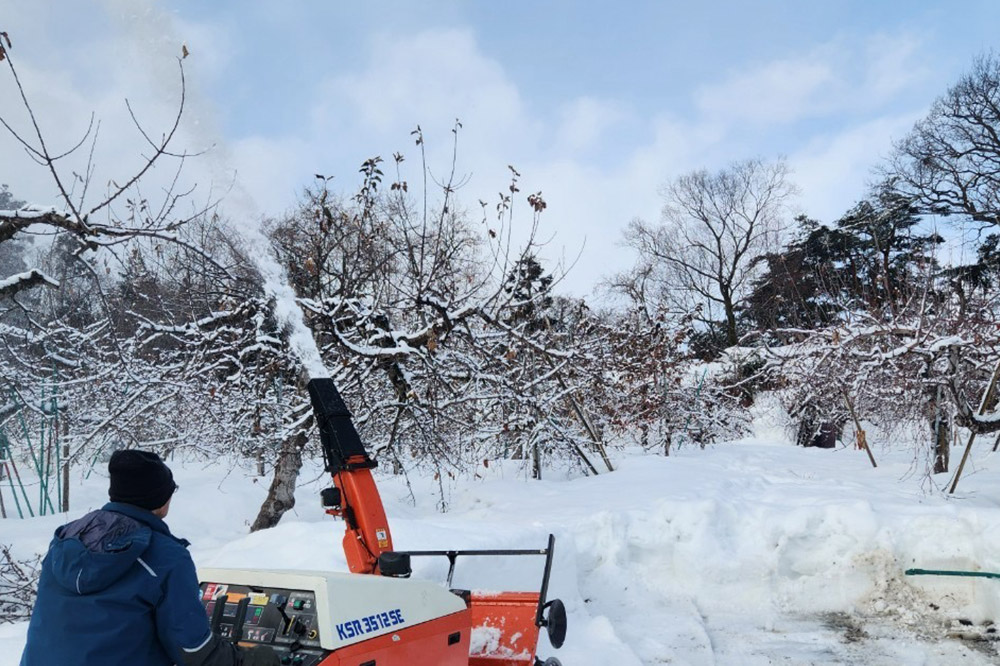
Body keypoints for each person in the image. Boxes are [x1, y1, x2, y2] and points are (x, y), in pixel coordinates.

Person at [20, 450, 279, 666]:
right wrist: (256, 659)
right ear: (161, 499)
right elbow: (194, 651)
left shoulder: (67, 538)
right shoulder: (165, 557)